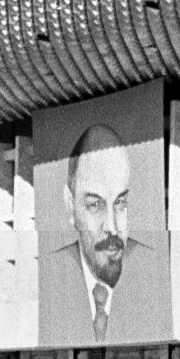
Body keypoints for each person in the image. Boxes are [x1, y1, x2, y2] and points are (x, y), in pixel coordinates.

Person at [46, 124, 157, 344]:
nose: (112, 227)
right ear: (70, 205)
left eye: (121, 202)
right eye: (95, 204)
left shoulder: (152, 268)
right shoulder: (51, 271)